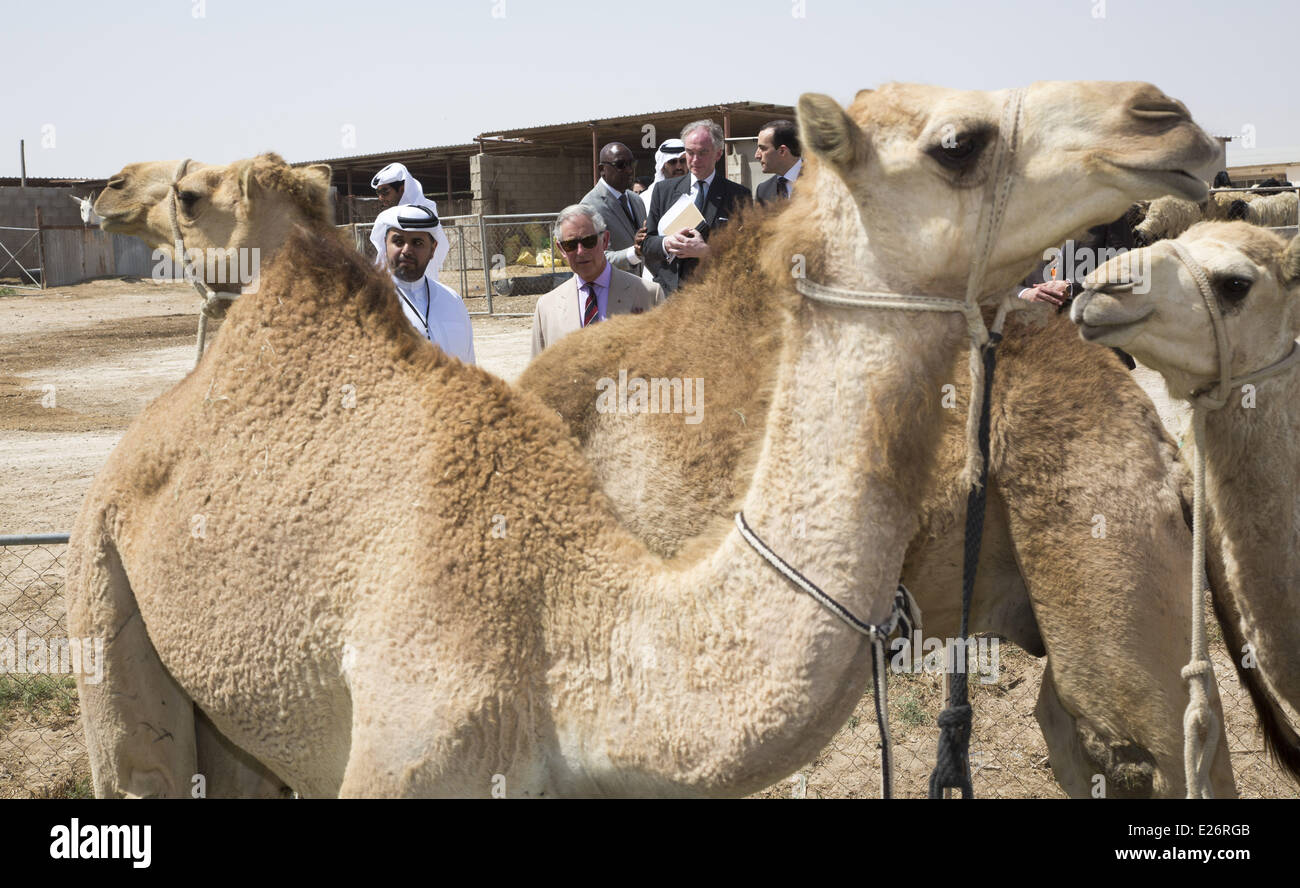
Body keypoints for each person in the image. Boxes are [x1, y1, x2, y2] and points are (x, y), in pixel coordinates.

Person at [531, 204, 663, 357]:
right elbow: (536, 375)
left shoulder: (648, 294)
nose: (580, 251)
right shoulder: (546, 308)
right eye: (571, 245)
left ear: (605, 240)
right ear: (561, 250)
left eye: (589, 241)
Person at [642, 121, 752, 294]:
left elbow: (746, 253)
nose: (694, 160)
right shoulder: (663, 191)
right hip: (670, 296)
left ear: (718, 154)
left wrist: (706, 251)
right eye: (690, 152)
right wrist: (666, 243)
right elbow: (647, 244)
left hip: (714, 295)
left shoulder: (738, 196)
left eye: (702, 153)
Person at [370, 204, 475, 364]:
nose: (406, 250)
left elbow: (470, 368)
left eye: (417, 243)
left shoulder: (452, 301)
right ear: (385, 245)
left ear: (433, 249)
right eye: (398, 241)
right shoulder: (370, 303)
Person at [370, 162, 451, 276]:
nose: (381, 198)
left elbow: (441, 247)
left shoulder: (426, 212)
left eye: (385, 192)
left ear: (402, 189)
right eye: (378, 193)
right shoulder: (386, 218)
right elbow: (382, 253)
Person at [580, 142, 646, 274]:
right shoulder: (589, 206)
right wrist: (634, 252)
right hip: (612, 291)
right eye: (621, 165)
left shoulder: (636, 200)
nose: (629, 170)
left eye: (631, 164)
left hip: (639, 287)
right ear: (602, 169)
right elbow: (595, 258)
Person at [753, 119, 803, 205]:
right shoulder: (763, 191)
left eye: (763, 148)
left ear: (782, 151)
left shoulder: (823, 181)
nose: (757, 155)